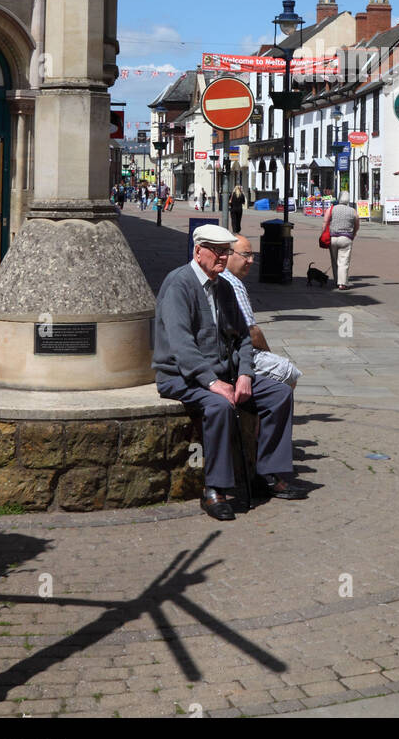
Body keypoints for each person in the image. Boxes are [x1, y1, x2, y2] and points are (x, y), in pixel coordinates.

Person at [153, 224, 303, 520]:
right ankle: (215, 489)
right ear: (198, 251)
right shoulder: (178, 285)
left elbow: (244, 337)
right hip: (182, 376)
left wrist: (245, 374)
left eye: (226, 251)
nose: (223, 258)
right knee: (220, 405)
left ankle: (268, 473)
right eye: (217, 251)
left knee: (279, 393)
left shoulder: (223, 286)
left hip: (226, 373)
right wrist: (212, 382)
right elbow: (182, 346)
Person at [223, 235, 302, 388]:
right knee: (288, 373)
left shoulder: (216, 276)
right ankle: (264, 410)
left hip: (221, 349)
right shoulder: (234, 284)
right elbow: (252, 332)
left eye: (252, 255)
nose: (251, 260)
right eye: (246, 255)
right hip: (233, 353)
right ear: (229, 254)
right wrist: (268, 352)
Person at [325, 190, 360, 290]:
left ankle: (336, 280)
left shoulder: (331, 209)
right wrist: (353, 234)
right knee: (343, 261)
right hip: (346, 238)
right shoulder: (353, 211)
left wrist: (323, 233)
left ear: (339, 198)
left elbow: (325, 222)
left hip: (333, 238)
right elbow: (357, 225)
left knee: (334, 260)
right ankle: (342, 283)